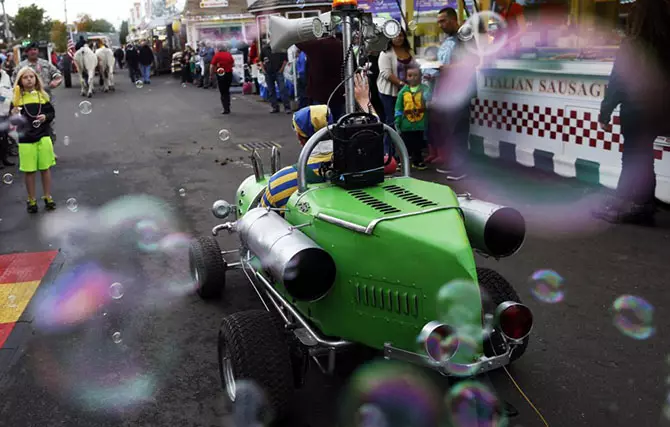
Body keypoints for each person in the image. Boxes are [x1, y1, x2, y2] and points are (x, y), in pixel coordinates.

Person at [592, 0, 670, 225]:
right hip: (662, 111)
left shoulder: (633, 44)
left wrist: (605, 113)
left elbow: (618, 82)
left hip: (638, 112)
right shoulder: (666, 42)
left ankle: (633, 206)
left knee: (635, 158)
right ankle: (640, 205)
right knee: (643, 158)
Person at [260, 71, 377, 210]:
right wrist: (365, 101)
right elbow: (376, 137)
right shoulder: (364, 166)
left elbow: (262, 220)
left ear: (300, 138)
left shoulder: (281, 183)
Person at [429, 7, 479, 180]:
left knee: (459, 129)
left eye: (443, 21)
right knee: (451, 129)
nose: (440, 25)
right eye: (439, 22)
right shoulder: (451, 38)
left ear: (453, 19)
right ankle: (454, 165)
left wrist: (448, 68)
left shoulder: (465, 35)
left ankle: (461, 168)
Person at [10, 67, 57, 213]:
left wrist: (45, 117)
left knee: (45, 168)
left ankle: (48, 196)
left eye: (32, 76)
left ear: (36, 79)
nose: (29, 79)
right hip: (26, 139)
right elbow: (13, 121)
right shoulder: (17, 99)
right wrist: (14, 113)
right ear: (20, 81)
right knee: (29, 171)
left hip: (43, 136)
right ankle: (31, 199)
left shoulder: (42, 96)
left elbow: (51, 113)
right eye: (25, 77)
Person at [13, 42, 63, 155]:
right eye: (31, 50)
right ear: (26, 52)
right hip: (27, 101)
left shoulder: (45, 63)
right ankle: (31, 151)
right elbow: (14, 82)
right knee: (28, 126)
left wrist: (56, 80)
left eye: (35, 49)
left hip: (45, 99)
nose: (33, 51)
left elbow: (57, 74)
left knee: (49, 125)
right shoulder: (21, 67)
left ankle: (49, 150)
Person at [377, 29, 413, 154]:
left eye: (402, 35)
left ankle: (403, 152)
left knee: (405, 122)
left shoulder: (408, 51)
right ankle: (389, 153)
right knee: (391, 122)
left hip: (406, 93)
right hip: (389, 93)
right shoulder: (385, 53)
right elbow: (386, 73)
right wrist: (401, 84)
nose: (399, 38)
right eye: (396, 36)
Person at [296, 36, 345, 120]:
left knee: (319, 123)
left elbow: (297, 40)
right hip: (338, 92)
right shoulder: (342, 45)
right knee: (338, 121)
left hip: (319, 93)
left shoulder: (315, 45)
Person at [395, 63, 430, 170]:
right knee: (405, 143)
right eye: (410, 75)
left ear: (420, 76)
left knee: (418, 144)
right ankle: (401, 160)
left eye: (416, 75)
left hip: (420, 123)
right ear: (406, 77)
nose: (413, 78)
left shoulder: (424, 89)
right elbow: (398, 108)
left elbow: (429, 97)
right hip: (406, 124)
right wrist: (397, 121)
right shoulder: (403, 92)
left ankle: (417, 160)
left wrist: (429, 83)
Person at [260, 39, 291, 114]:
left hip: (278, 72)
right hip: (268, 72)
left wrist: (281, 69)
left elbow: (285, 60)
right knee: (271, 91)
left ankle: (287, 107)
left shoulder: (281, 48)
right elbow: (260, 60)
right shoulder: (265, 49)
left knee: (282, 89)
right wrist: (263, 70)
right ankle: (275, 107)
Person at [210, 43, 235, 115]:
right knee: (227, 90)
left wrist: (211, 74)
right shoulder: (228, 54)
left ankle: (225, 108)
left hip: (221, 73)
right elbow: (233, 64)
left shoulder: (217, 55)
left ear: (218, 49)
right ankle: (228, 105)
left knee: (222, 91)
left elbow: (212, 66)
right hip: (229, 73)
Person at [0, 61, 14, 169]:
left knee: (4, 136)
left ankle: (4, 159)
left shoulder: (5, 75)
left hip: (4, 110)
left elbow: (9, 91)